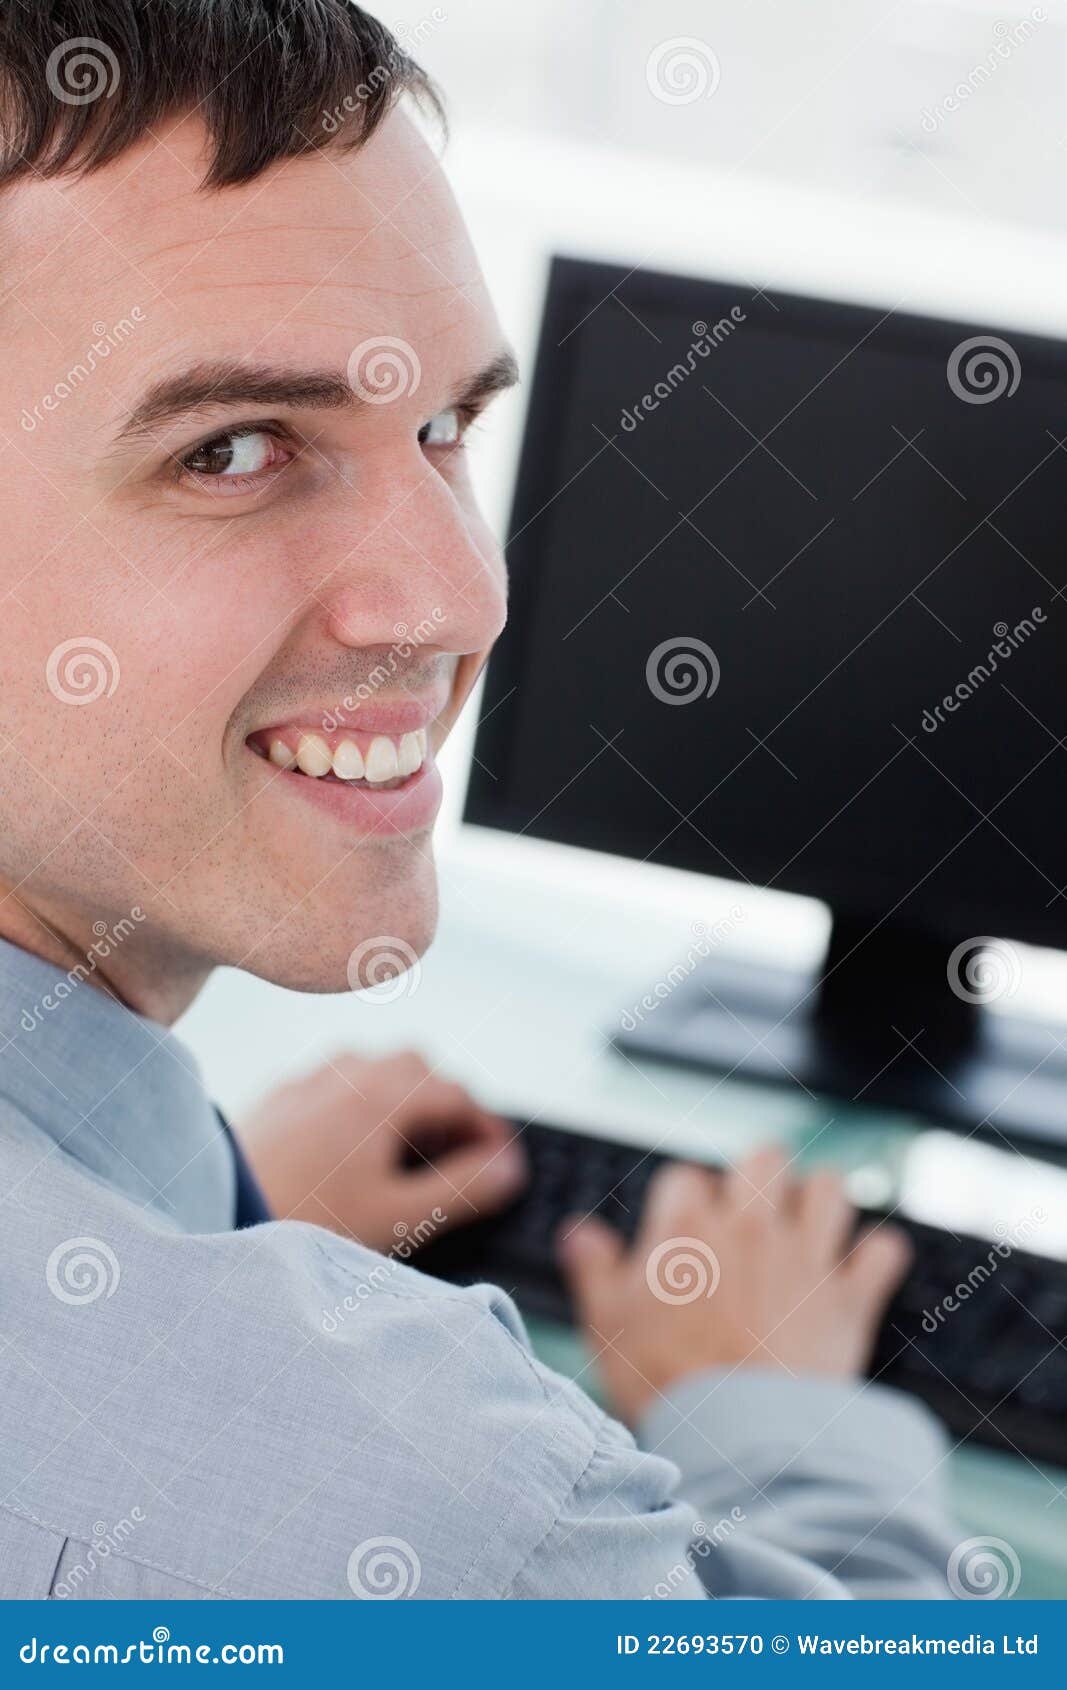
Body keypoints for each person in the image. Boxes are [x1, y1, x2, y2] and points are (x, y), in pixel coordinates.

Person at [0, 1, 957, 1600]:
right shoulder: (453, 1510)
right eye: (235, 448)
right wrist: (781, 1416)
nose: (460, 596)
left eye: (445, 424)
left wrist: (194, 1218)